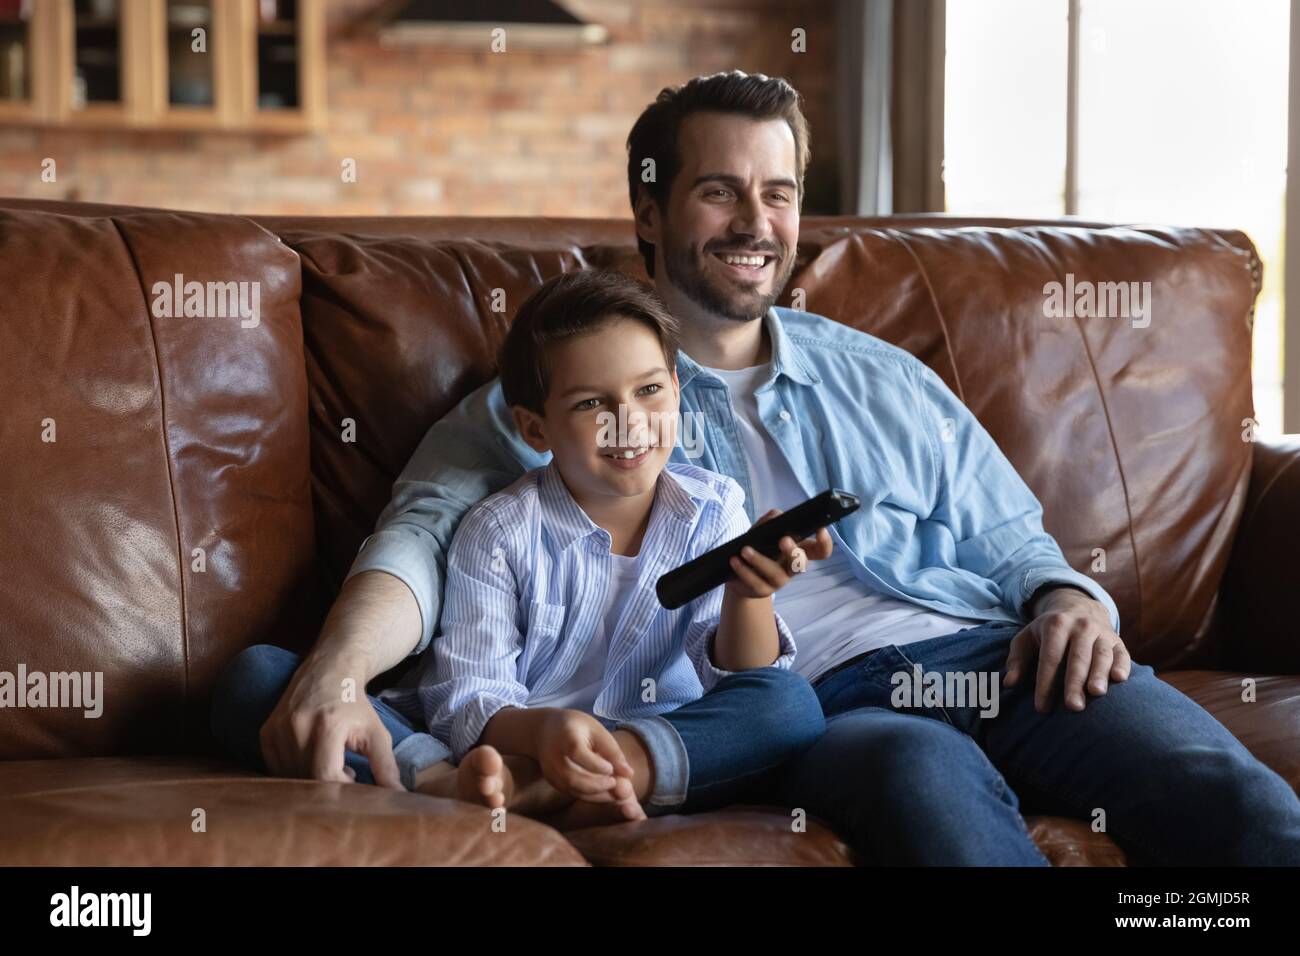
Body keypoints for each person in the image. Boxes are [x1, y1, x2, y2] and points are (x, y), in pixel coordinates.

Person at [257, 70, 1300, 864]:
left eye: (778, 192)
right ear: (651, 211)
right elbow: (417, 542)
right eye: (719, 191)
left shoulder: (880, 374)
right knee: (926, 783)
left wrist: (1069, 596)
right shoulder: (548, 400)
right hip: (819, 699)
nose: (756, 221)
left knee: (1242, 805)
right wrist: (338, 670)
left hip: (1001, 652)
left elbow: (1014, 536)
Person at [212, 269, 828, 828]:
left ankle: (548, 793)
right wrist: (544, 731)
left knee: (790, 704)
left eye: (648, 392)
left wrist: (749, 595)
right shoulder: (500, 529)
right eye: (591, 403)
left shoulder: (713, 511)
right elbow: (467, 695)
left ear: (676, 387)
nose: (628, 422)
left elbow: (742, 675)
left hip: (651, 737)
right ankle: (439, 779)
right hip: (507, 744)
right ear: (536, 427)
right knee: (259, 676)